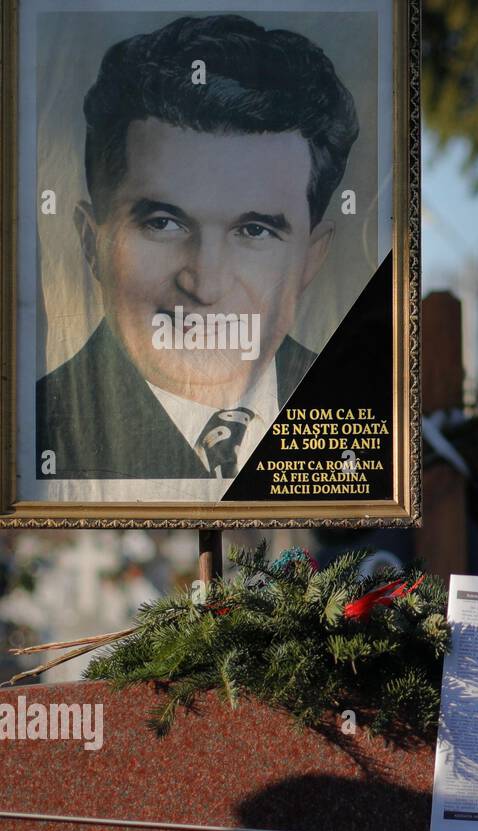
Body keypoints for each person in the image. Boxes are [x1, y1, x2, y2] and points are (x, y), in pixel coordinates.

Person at [36, 14, 359, 481]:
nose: (205, 284)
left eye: (255, 231)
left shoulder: (364, 418)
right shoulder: (39, 435)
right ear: (92, 241)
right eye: (164, 223)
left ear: (312, 257)